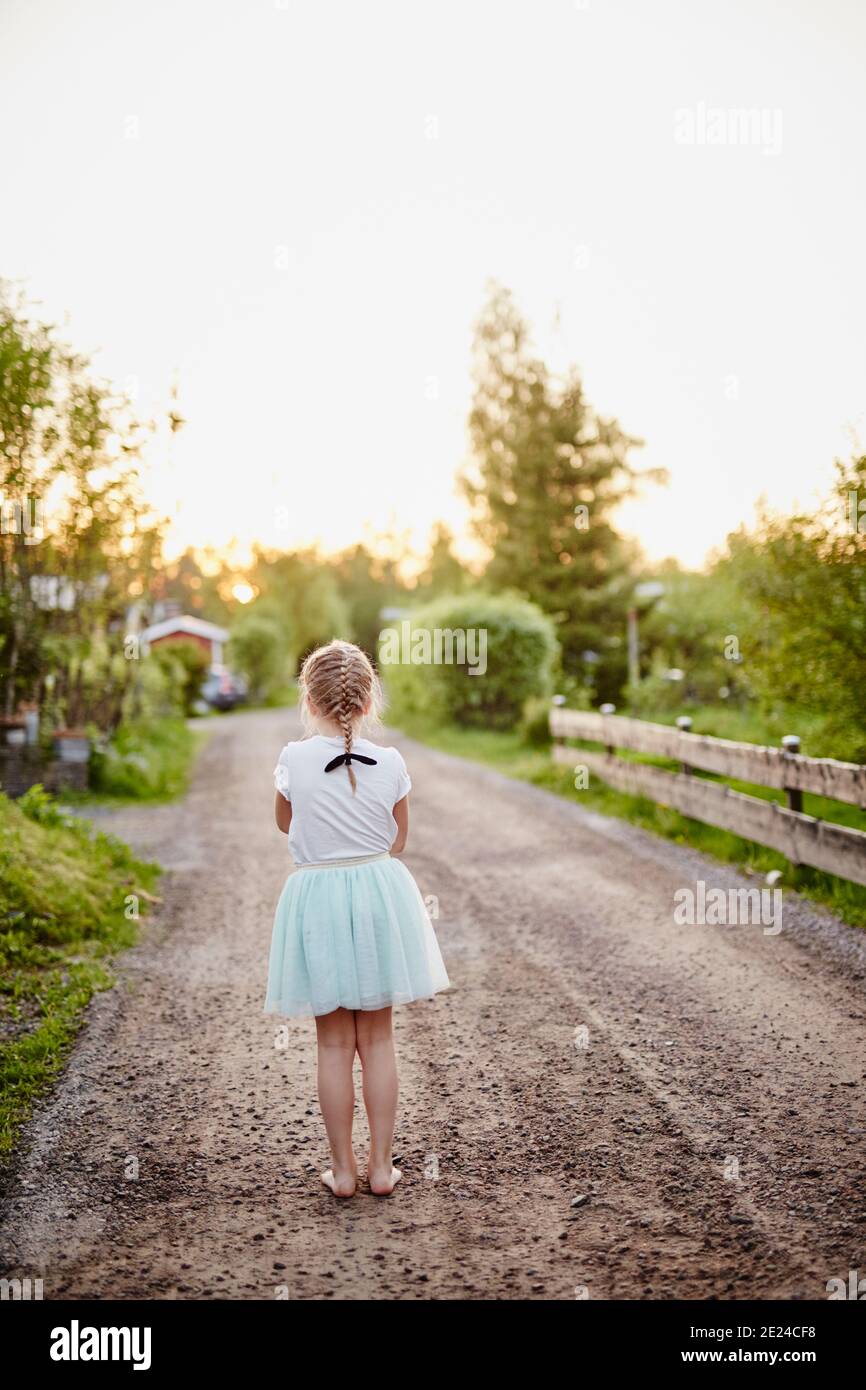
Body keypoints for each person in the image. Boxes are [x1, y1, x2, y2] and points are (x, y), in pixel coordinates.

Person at [264, 639, 450, 1197]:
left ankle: (342, 1171)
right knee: (379, 1040)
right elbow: (399, 840)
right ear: (369, 702)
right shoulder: (391, 762)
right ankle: (381, 1168)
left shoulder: (293, 758)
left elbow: (283, 824)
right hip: (377, 894)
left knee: (332, 1045)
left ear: (309, 699)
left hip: (317, 897)